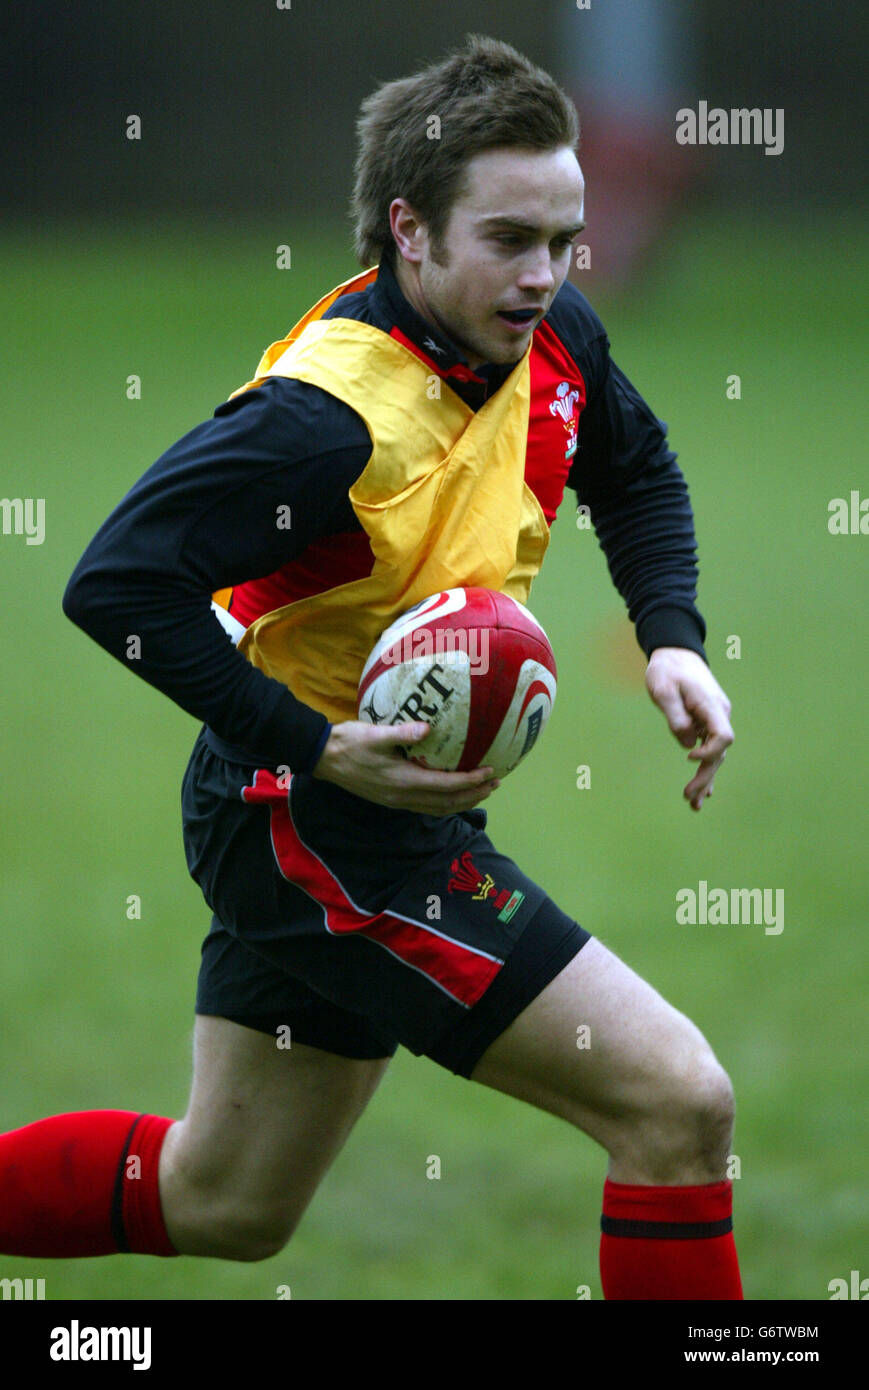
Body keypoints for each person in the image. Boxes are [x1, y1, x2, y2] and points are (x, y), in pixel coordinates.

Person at [0, 35, 740, 1300]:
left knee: (224, 1200)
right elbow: (114, 586)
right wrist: (310, 742)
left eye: (565, 239)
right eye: (508, 239)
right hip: (308, 819)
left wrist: (669, 634)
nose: (545, 274)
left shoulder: (549, 337)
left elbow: (637, 467)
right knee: (676, 1104)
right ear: (408, 229)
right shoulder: (323, 421)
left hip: (345, 810)